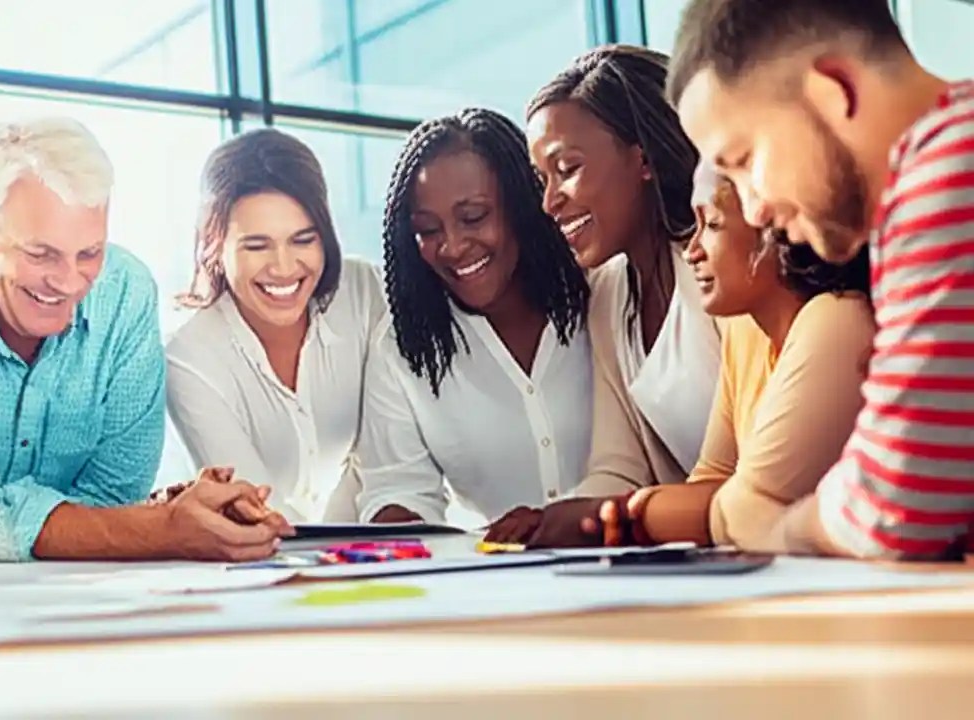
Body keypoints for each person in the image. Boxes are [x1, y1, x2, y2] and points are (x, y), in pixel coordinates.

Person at [0, 118, 288, 566]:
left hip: (76, 597)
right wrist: (157, 527)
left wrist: (149, 523)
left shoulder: (123, 294)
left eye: (90, 253)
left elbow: (115, 497)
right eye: (40, 254)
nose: (69, 282)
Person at [668, 0, 974, 558]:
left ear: (833, 91)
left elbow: (894, 503)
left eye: (743, 159)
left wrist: (780, 530)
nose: (754, 210)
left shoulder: (952, 165)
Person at [524, 165, 874, 549]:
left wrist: (618, 515)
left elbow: (749, 505)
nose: (692, 251)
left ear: (770, 227)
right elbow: (712, 479)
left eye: (713, 225)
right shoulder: (744, 331)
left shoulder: (838, 319)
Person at [487, 45, 720, 543]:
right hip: (700, 549)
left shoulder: (721, 268)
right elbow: (619, 466)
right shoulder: (609, 294)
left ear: (643, 159)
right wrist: (558, 515)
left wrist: (619, 513)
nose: (550, 202)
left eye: (567, 169)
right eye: (541, 180)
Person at [356, 108, 593, 526]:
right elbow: (397, 488)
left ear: (521, 205)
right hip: (496, 577)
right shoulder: (402, 349)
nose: (451, 246)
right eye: (428, 230)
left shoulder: (598, 297)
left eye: (473, 218)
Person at [166, 129, 387, 522]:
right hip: (256, 562)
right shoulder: (188, 354)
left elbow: (385, 458)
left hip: (367, 548)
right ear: (214, 247)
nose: (284, 268)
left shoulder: (367, 293)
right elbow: (254, 506)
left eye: (303, 240)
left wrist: (347, 548)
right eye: (256, 246)